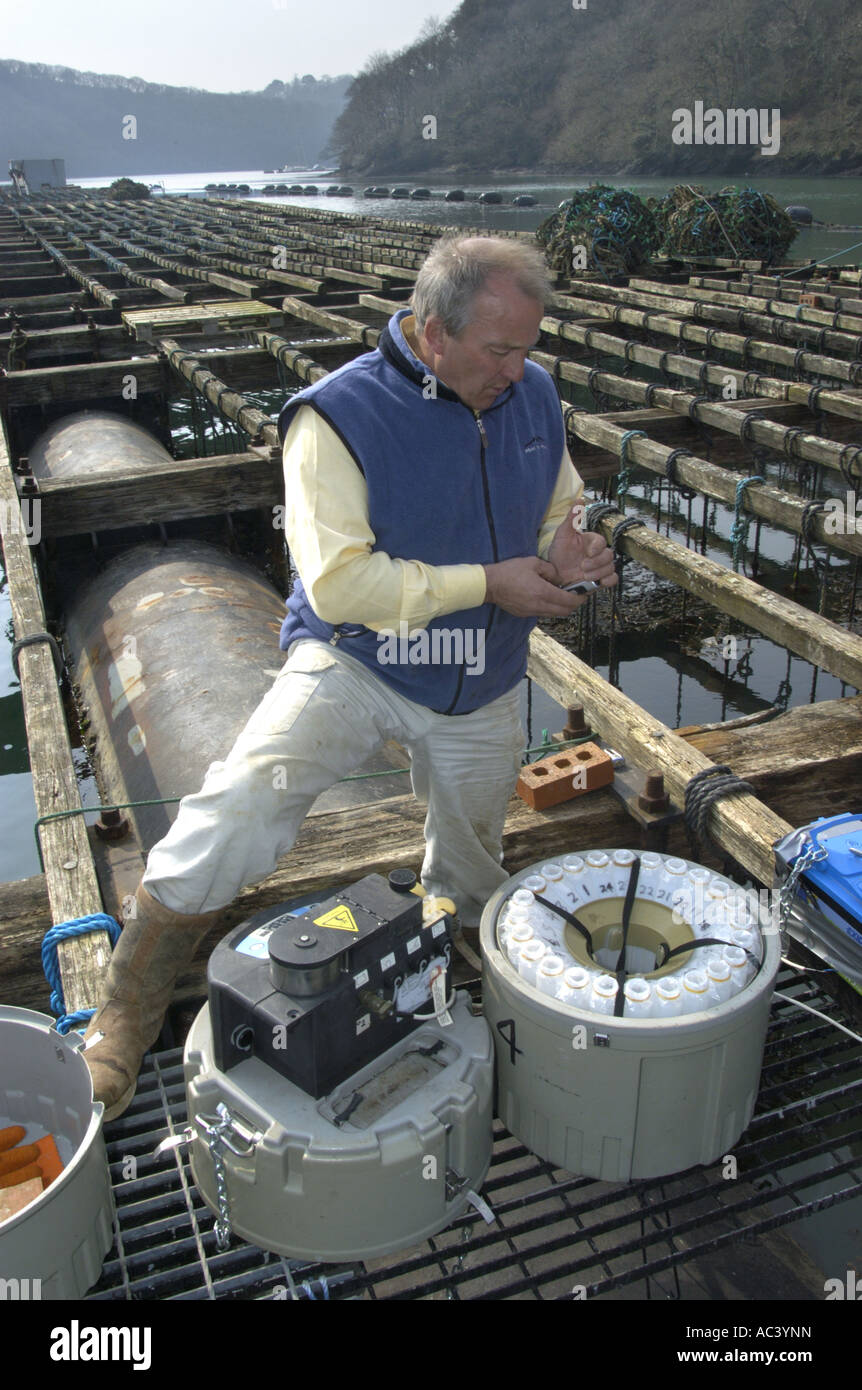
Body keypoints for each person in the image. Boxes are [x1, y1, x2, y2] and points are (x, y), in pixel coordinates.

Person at [82, 234, 618, 1119]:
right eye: (500, 351)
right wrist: (492, 582)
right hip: (360, 657)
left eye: (530, 347)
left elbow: (559, 494)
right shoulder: (334, 417)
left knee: (474, 852)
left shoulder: (534, 393)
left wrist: (566, 542)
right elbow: (339, 584)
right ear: (433, 333)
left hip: (480, 669)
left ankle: (446, 963)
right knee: (244, 800)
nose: (519, 371)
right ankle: (125, 1013)